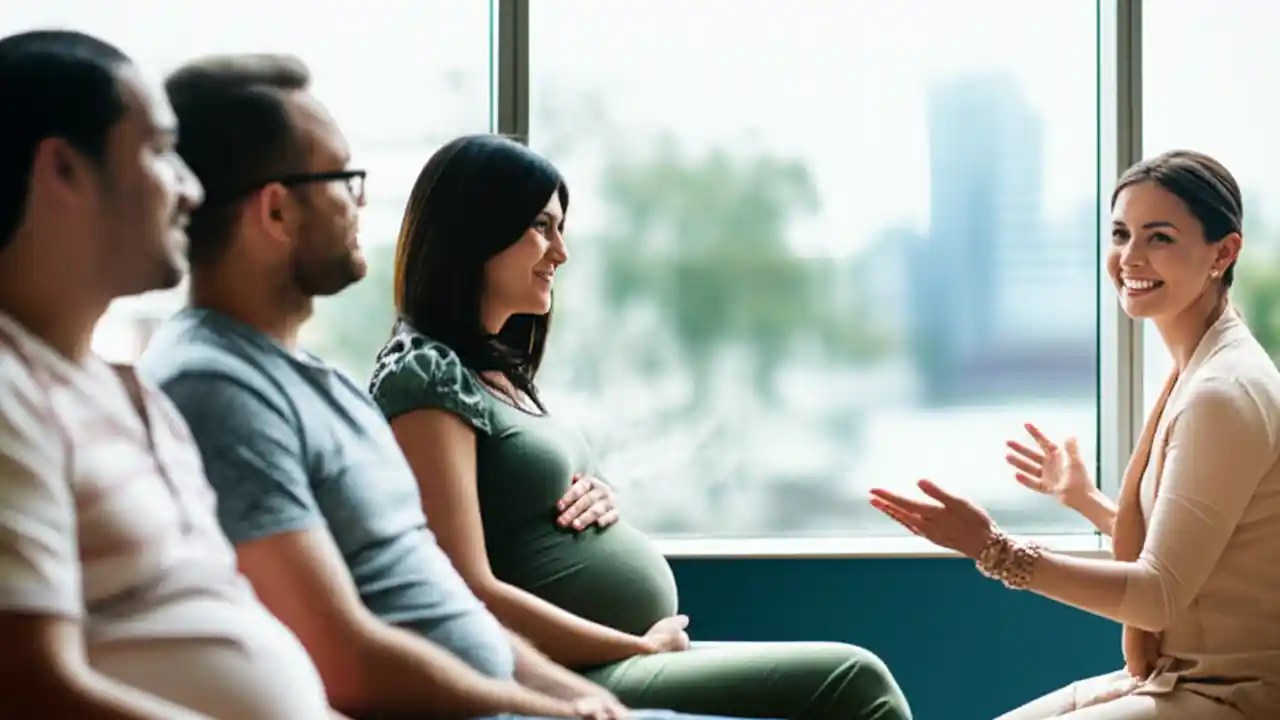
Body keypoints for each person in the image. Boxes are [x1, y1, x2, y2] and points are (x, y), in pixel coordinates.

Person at [140, 53, 744, 720]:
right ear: (277, 211)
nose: (362, 201)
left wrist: (582, 700)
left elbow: (447, 605)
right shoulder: (218, 389)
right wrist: (558, 703)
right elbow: (343, 660)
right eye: (343, 178)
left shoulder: (322, 387)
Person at [367, 133, 912, 720]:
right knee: (855, 682)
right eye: (542, 227)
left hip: (616, 654)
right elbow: (461, 589)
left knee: (853, 678)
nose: (560, 252)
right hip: (565, 672)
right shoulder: (425, 375)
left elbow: (524, 505)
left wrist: (600, 494)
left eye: (561, 228)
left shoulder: (498, 373)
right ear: (476, 231)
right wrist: (635, 647)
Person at [870, 149, 1280, 719]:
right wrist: (1085, 499)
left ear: (1223, 252)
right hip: (1180, 677)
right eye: (1120, 234)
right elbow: (1193, 555)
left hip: (1233, 694)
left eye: (1159, 238)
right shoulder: (1205, 367)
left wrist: (993, 550)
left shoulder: (1221, 392)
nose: (1130, 258)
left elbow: (1157, 597)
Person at [0, 31, 335, 719]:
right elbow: (30, 687)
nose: (191, 189)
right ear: (63, 170)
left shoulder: (137, 397)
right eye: (158, 151)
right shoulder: (11, 392)